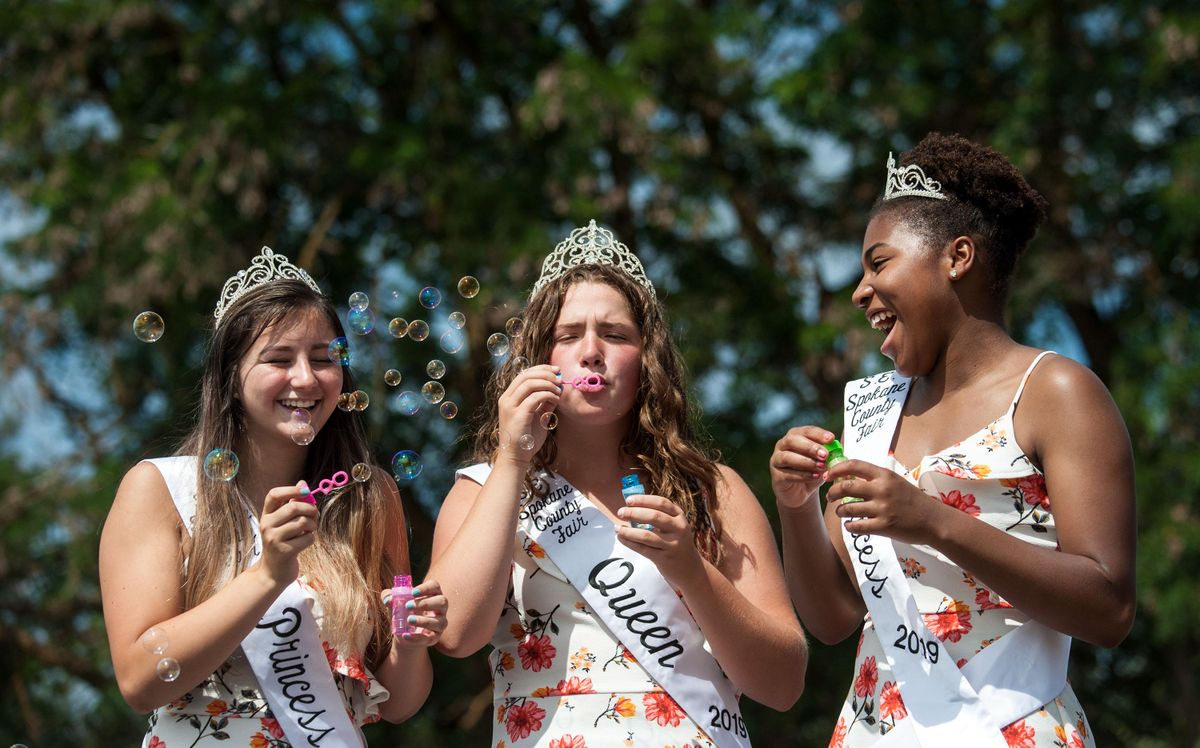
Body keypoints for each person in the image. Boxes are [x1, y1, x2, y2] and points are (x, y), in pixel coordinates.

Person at [771, 133, 1136, 747]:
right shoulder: (872, 412)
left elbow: (1109, 608)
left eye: (879, 262)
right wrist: (794, 506)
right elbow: (833, 619)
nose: (860, 290)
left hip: (1012, 725)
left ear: (957, 257)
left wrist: (932, 521)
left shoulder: (1055, 392)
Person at [429, 220, 807, 747]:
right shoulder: (484, 490)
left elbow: (784, 683)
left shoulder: (711, 490)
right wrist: (513, 461)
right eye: (568, 335)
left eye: (615, 334)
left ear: (647, 361)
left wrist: (692, 572)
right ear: (540, 356)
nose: (590, 351)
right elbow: (454, 634)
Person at [99, 247, 447, 746]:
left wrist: (412, 644)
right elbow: (139, 679)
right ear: (230, 379)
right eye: (279, 359)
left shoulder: (367, 498)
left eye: (324, 359)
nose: (306, 379)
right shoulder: (161, 489)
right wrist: (266, 575)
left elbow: (400, 702)